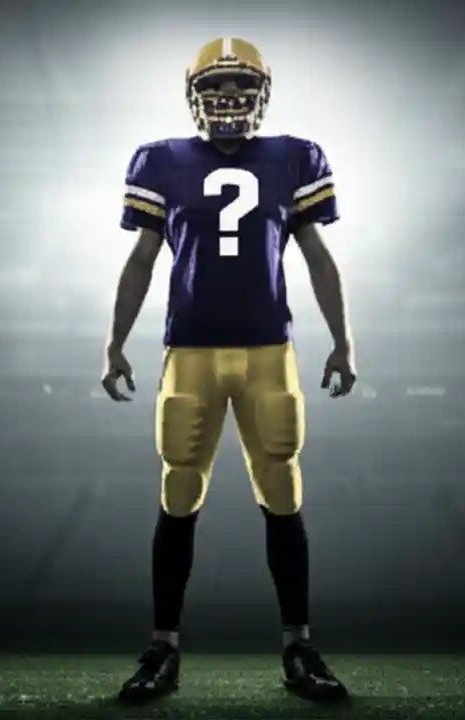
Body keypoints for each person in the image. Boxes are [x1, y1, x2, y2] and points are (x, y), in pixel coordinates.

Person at [101, 36, 356, 705]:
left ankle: (299, 646)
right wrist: (115, 342)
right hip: (189, 352)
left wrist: (342, 341)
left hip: (270, 350)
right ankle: (163, 648)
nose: (229, 100)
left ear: (264, 94)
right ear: (193, 95)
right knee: (179, 490)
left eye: (242, 88)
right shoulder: (161, 160)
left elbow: (316, 254)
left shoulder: (295, 157)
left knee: (282, 488)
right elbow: (143, 258)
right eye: (216, 88)